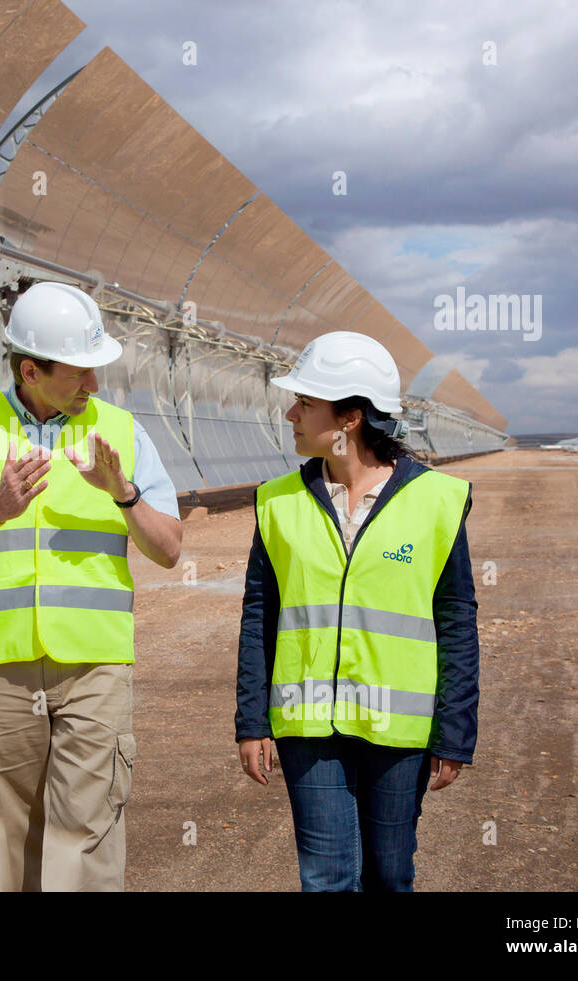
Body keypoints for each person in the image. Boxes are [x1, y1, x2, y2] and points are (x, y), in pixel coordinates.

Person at [0, 280, 182, 891]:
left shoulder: (120, 431)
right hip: (2, 667)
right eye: (80, 373)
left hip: (94, 668)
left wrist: (123, 493)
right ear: (31, 370)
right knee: (18, 843)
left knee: (85, 839)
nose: (93, 386)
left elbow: (169, 550)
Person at [235, 330, 478, 891]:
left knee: (390, 877)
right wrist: (251, 722)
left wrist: (455, 731)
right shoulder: (276, 502)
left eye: (306, 403)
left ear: (350, 417)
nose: (290, 412)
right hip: (307, 724)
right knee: (326, 878)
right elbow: (259, 616)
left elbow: (457, 623)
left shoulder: (436, 502)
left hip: (399, 732)